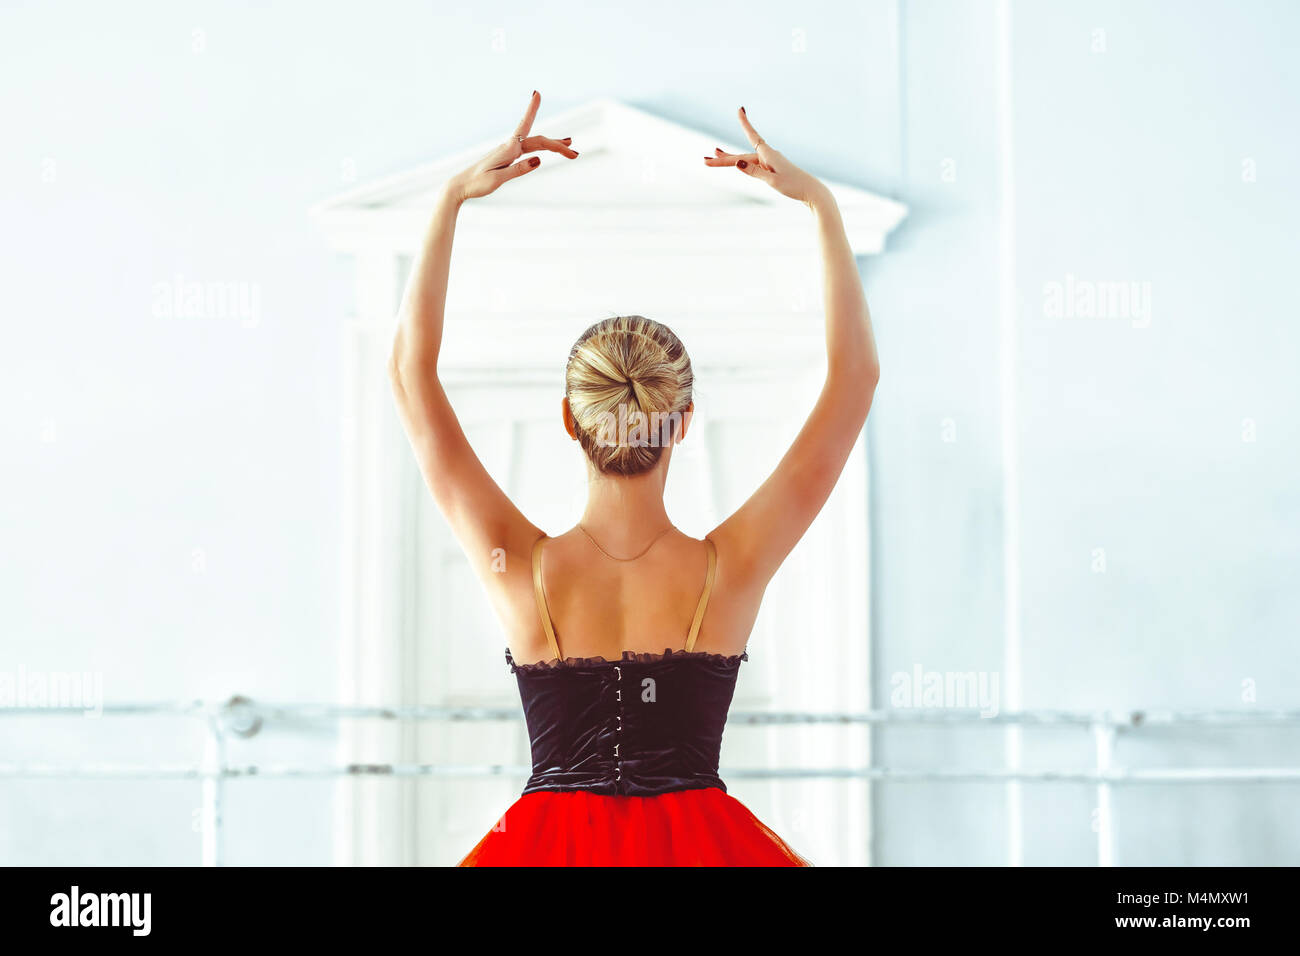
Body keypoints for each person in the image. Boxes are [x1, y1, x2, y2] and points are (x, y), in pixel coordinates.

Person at [388, 91, 879, 866]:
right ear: (682, 423)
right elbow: (855, 380)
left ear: (567, 421)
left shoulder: (520, 567)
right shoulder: (732, 568)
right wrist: (820, 206)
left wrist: (451, 200)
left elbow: (411, 376)